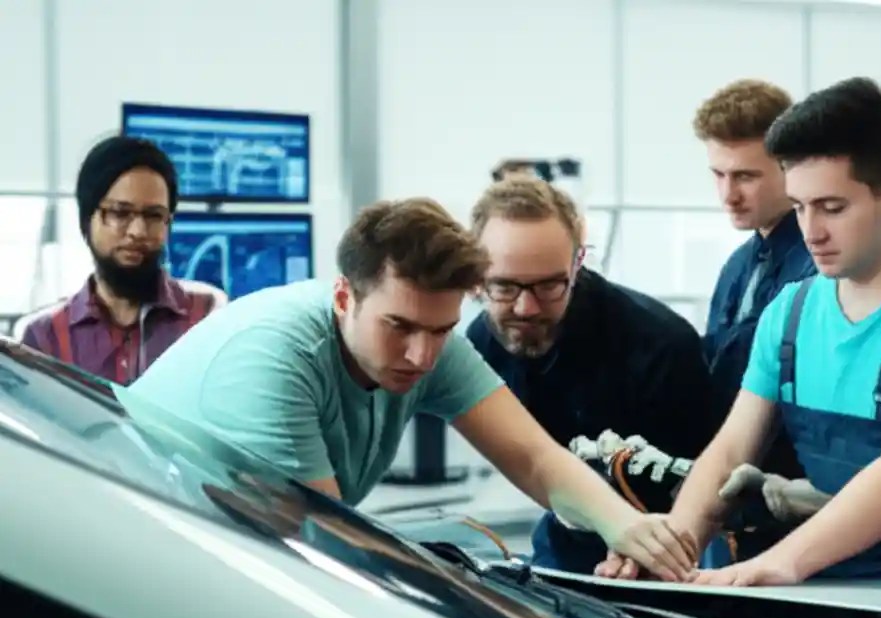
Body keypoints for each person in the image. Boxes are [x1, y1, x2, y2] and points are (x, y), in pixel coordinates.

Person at [125, 197, 697, 582]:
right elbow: (332, 544)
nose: (422, 356)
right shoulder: (274, 363)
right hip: (136, 559)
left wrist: (626, 527)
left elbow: (534, 456)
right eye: (399, 327)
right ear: (345, 297)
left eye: (441, 330)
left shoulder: (431, 344)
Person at [601, 77, 881, 586]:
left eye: (832, 208)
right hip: (825, 573)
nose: (811, 230)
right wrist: (668, 550)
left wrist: (779, 563)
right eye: (799, 206)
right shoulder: (790, 310)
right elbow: (730, 451)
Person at [465, 176, 715, 572]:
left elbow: (703, 482)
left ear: (578, 263)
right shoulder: (478, 344)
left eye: (549, 286)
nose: (526, 308)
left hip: (674, 547)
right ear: (475, 276)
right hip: (565, 534)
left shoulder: (660, 344)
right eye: (505, 287)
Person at [692, 79, 818, 565]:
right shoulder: (736, 267)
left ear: (789, 167)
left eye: (745, 176)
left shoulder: (820, 269)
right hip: (730, 496)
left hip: (793, 504)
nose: (728, 194)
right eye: (718, 174)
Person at [19, 136, 223, 383]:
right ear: (87, 219)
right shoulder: (44, 339)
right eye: (119, 213)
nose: (137, 231)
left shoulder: (207, 317)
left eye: (153, 215)